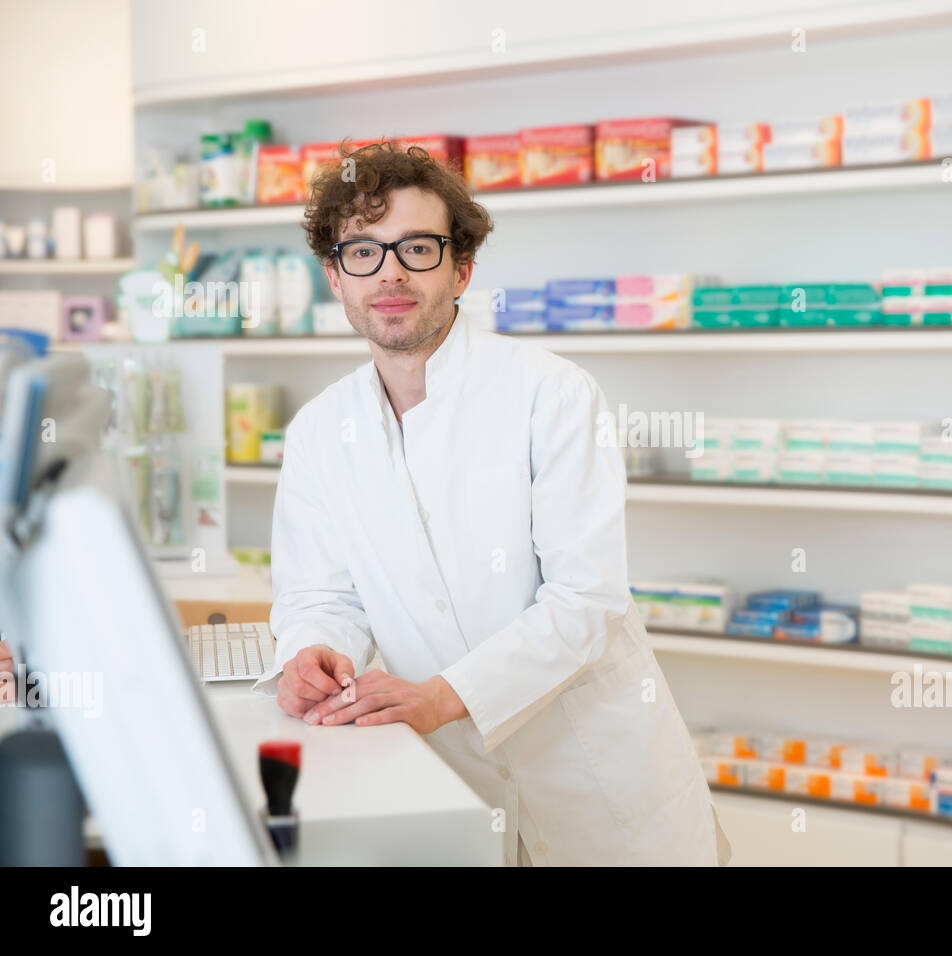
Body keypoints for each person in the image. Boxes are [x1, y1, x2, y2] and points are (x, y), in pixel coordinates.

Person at [252, 140, 730, 867]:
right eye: (363, 253)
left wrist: (447, 695)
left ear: (461, 268)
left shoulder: (552, 394)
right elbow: (319, 593)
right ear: (334, 277)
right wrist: (313, 650)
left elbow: (586, 600)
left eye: (417, 248)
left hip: (598, 783)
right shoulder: (320, 430)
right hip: (452, 781)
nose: (390, 273)